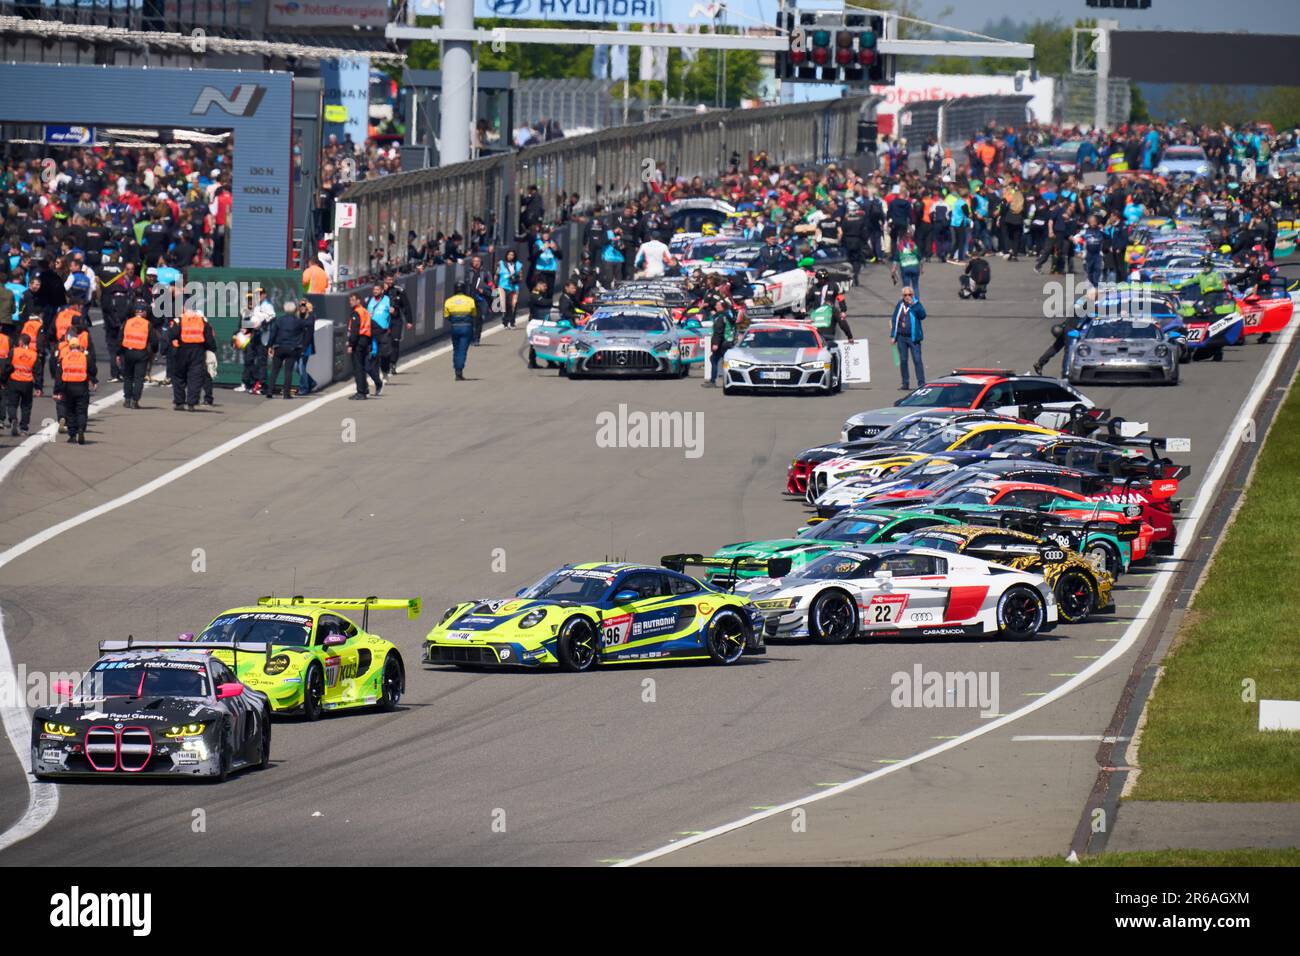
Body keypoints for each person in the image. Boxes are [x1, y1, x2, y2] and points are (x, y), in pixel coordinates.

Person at [53, 333, 95, 444]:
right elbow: (92, 370)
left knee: (70, 411)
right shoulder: (85, 357)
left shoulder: (64, 359)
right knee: (81, 411)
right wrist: (93, 380)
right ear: (79, 346)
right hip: (82, 387)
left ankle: (72, 435)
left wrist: (57, 391)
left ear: (70, 347)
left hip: (68, 388)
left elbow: (59, 377)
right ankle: (81, 429)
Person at [170, 309, 216, 411]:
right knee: (195, 377)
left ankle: (179, 402)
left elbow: (172, 334)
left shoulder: (180, 320)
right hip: (198, 350)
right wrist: (212, 349)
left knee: (179, 376)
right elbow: (209, 338)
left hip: (182, 349)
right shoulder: (201, 320)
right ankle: (192, 403)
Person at [265, 300, 308, 399]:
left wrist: (270, 346)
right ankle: (286, 393)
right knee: (288, 371)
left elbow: (273, 334)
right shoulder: (298, 322)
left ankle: (270, 391)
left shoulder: (279, 321)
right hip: (292, 348)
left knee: (275, 370)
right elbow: (304, 332)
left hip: (279, 347)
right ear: (294, 310)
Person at [119, 304, 158, 409]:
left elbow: (120, 339)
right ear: (144, 313)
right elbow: (154, 341)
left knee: (128, 377)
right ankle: (135, 401)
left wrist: (119, 353)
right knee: (139, 378)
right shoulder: (147, 324)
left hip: (128, 352)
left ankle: (127, 399)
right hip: (141, 353)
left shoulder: (127, 322)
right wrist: (154, 351)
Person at [346, 292, 381, 399]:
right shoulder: (365, 311)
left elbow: (355, 330)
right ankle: (365, 389)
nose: (350, 302)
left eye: (353, 300)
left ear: (358, 301)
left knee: (358, 367)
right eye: (350, 300)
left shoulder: (357, 313)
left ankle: (361, 392)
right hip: (365, 341)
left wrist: (351, 344)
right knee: (363, 365)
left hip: (359, 341)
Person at [889, 286, 926, 390]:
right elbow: (894, 319)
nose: (907, 297)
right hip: (901, 337)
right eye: (905, 295)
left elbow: (923, 315)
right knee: (903, 360)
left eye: (909, 295)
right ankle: (905, 383)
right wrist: (893, 335)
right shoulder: (899, 305)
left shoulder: (916, 304)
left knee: (917, 360)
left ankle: (921, 383)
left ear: (913, 295)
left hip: (913, 338)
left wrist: (913, 305)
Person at [4, 332, 38, 435]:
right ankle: (24, 429)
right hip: (27, 383)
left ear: (20, 342)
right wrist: (38, 387)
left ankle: (13, 418)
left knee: (12, 404)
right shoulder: (34, 354)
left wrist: (3, 381)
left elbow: (7, 367)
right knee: (26, 406)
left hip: (14, 381)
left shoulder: (14, 351)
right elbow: (38, 371)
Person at [444, 281, 478, 381]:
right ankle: (459, 371)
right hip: (466, 327)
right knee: (462, 350)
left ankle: (456, 370)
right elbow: (474, 314)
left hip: (455, 327)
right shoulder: (470, 300)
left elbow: (446, 316)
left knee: (456, 349)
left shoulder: (448, 301)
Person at [808, 270, 854, 341]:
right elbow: (808, 300)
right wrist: (804, 309)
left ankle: (849, 336)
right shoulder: (814, 287)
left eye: (822, 279)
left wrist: (843, 310)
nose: (820, 281)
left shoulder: (833, 286)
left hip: (829, 310)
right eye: (819, 279)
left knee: (841, 319)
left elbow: (840, 298)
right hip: (817, 311)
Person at [703, 296, 738, 388]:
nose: (716, 306)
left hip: (722, 342)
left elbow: (718, 331)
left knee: (714, 359)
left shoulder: (721, 317)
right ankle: (732, 380)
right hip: (729, 341)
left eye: (718, 305)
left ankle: (713, 381)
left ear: (722, 306)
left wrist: (715, 344)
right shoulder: (729, 315)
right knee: (726, 361)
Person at [382, 273, 413, 369]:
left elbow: (406, 306)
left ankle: (393, 363)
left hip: (396, 319)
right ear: (384, 280)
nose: (390, 282)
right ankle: (384, 362)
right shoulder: (380, 291)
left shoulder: (399, 290)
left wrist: (409, 321)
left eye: (391, 279)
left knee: (395, 341)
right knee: (385, 341)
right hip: (384, 320)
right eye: (388, 280)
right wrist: (384, 291)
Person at [366, 282, 392, 379]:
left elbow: (394, 313)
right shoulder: (370, 300)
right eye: (374, 290)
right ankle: (375, 376)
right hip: (372, 331)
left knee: (385, 354)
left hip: (384, 331)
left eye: (377, 290)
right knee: (374, 354)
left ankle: (385, 370)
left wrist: (393, 314)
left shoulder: (387, 300)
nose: (375, 291)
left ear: (382, 290)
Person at [464, 257, 491, 345]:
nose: (476, 263)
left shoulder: (486, 272)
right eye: (474, 261)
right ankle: (471, 337)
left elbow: (491, 285)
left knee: (479, 319)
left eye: (478, 261)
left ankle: (477, 338)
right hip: (470, 298)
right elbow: (465, 285)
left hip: (481, 298)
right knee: (470, 319)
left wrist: (484, 291)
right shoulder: (468, 272)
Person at [294, 300, 319, 395]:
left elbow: (309, 327)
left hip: (306, 346)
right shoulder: (297, 316)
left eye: (304, 305)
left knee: (301, 366)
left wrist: (304, 348)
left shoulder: (311, 317)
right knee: (296, 367)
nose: (302, 307)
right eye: (300, 305)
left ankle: (303, 387)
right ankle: (311, 382)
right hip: (298, 345)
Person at [891, 227, 922, 293]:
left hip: (905, 268)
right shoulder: (914, 246)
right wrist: (921, 269)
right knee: (915, 286)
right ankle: (916, 301)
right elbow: (920, 258)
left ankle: (907, 302)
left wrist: (893, 269)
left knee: (906, 287)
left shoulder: (900, 247)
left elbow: (896, 259)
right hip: (915, 267)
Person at [497, 250, 522, 328]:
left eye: (512, 255)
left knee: (513, 304)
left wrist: (515, 278)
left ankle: (512, 322)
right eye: (509, 254)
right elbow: (496, 274)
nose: (510, 256)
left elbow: (521, 276)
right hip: (503, 286)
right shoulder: (500, 263)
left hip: (514, 287)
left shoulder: (518, 264)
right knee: (505, 305)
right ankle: (505, 321)